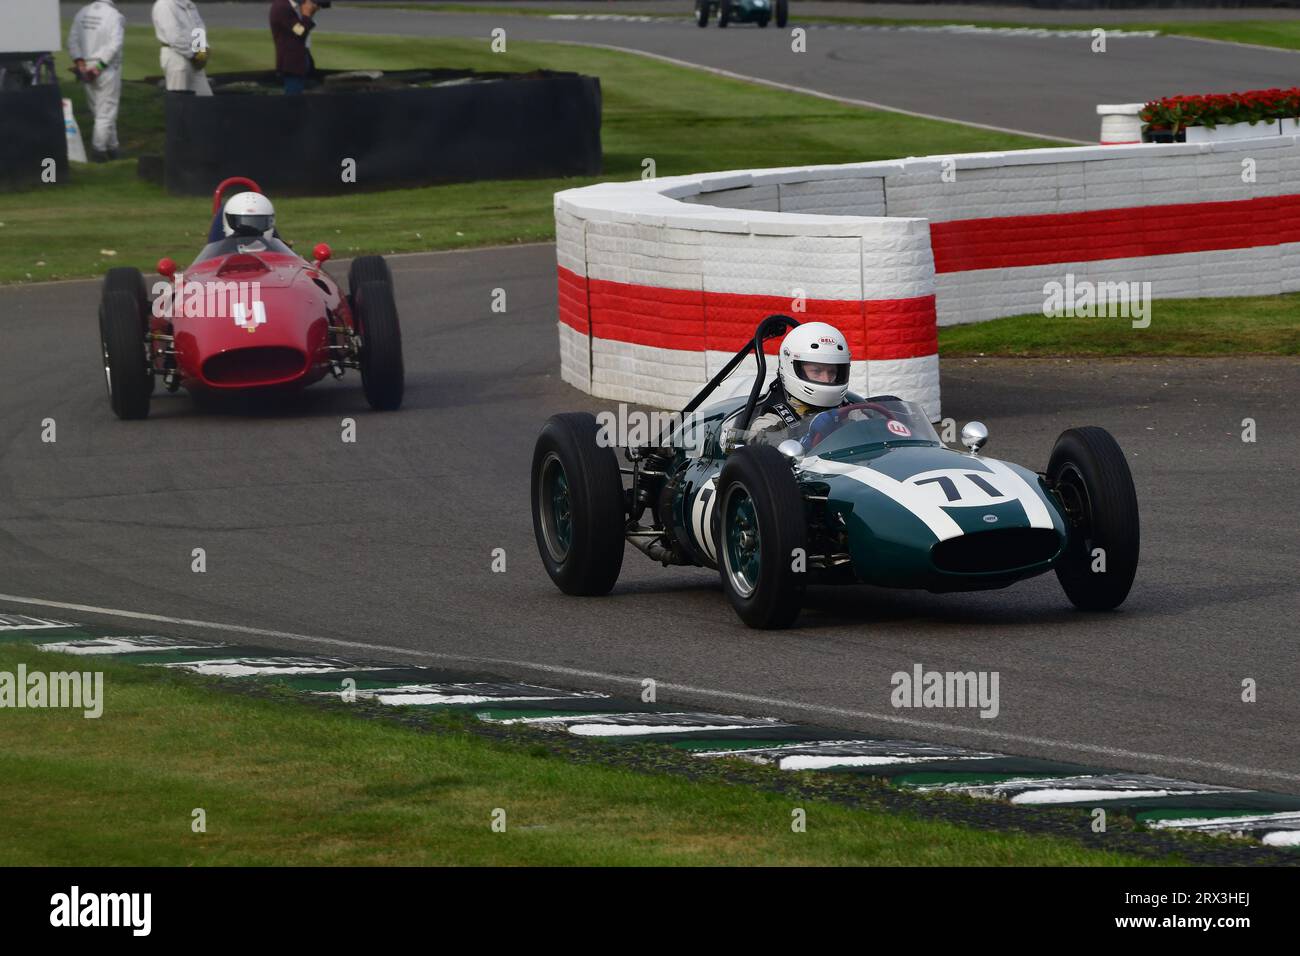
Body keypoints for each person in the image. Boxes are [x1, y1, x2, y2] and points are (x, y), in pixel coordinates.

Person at [747, 322, 852, 443]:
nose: (826, 379)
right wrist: (805, 432)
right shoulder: (771, 420)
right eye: (816, 371)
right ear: (791, 367)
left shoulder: (850, 409)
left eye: (832, 372)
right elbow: (759, 444)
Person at [67, 0, 126, 162]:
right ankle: (98, 151)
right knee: (105, 114)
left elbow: (72, 41)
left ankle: (112, 147)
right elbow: (116, 44)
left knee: (101, 112)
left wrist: (80, 65)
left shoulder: (82, 12)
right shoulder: (114, 16)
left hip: (86, 66)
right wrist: (98, 67)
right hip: (106, 68)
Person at [152, 0, 212, 95]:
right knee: (179, 100)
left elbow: (199, 27)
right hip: (176, 57)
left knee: (205, 98)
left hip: (195, 58)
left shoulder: (188, 4)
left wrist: (202, 50)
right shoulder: (164, 4)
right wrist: (193, 55)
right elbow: (174, 37)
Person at [269, 0, 319, 95]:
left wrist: (310, 14)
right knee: (293, 101)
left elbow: (300, 29)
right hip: (292, 63)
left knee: (297, 98)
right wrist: (307, 15)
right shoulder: (283, 7)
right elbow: (300, 31)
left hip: (296, 60)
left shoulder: (287, 6)